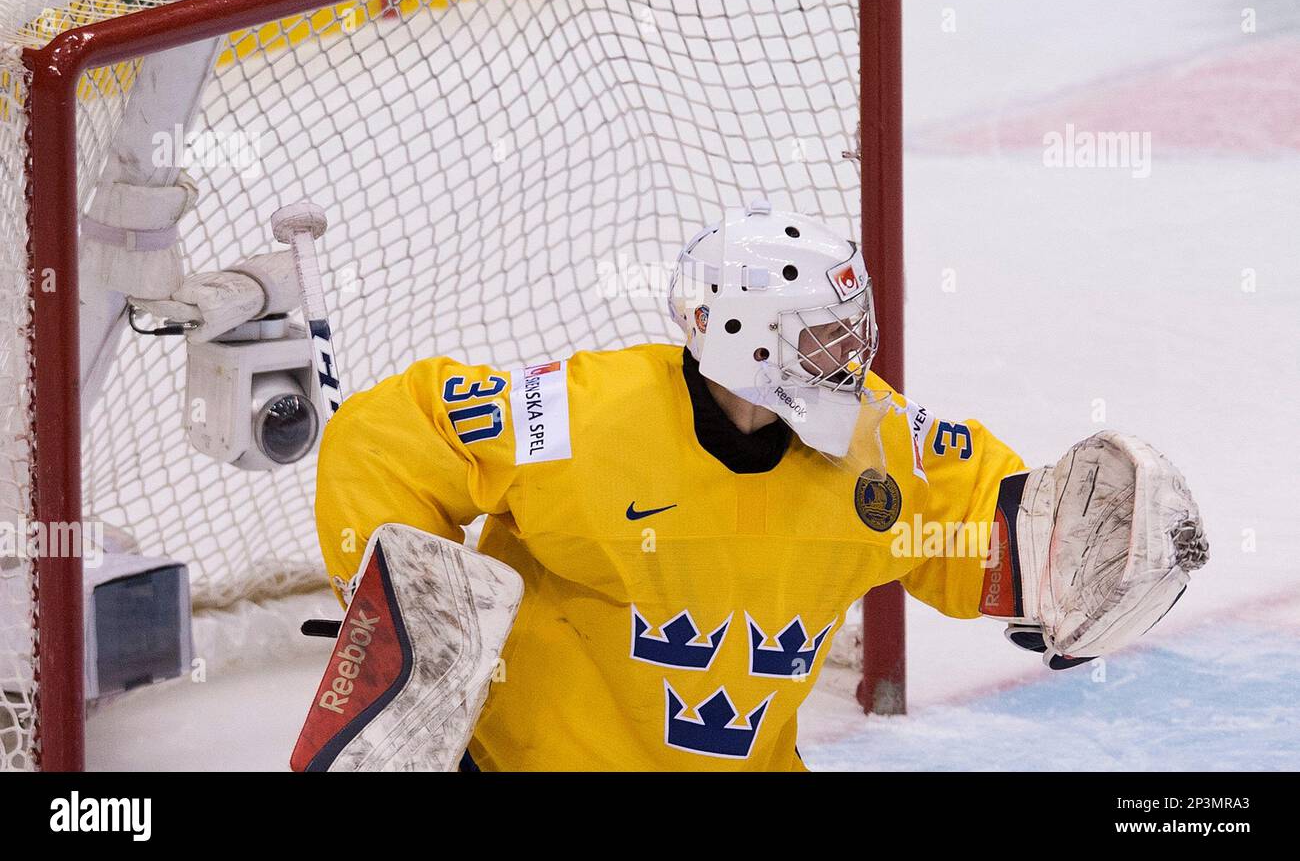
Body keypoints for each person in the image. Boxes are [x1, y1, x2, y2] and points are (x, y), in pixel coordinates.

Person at [304, 199, 1207, 771]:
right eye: (825, 340)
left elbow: (977, 516)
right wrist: (394, 601)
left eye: (855, 337)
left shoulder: (874, 447)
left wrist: (1069, 550)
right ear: (747, 335)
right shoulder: (585, 419)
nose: (852, 361)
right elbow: (392, 433)